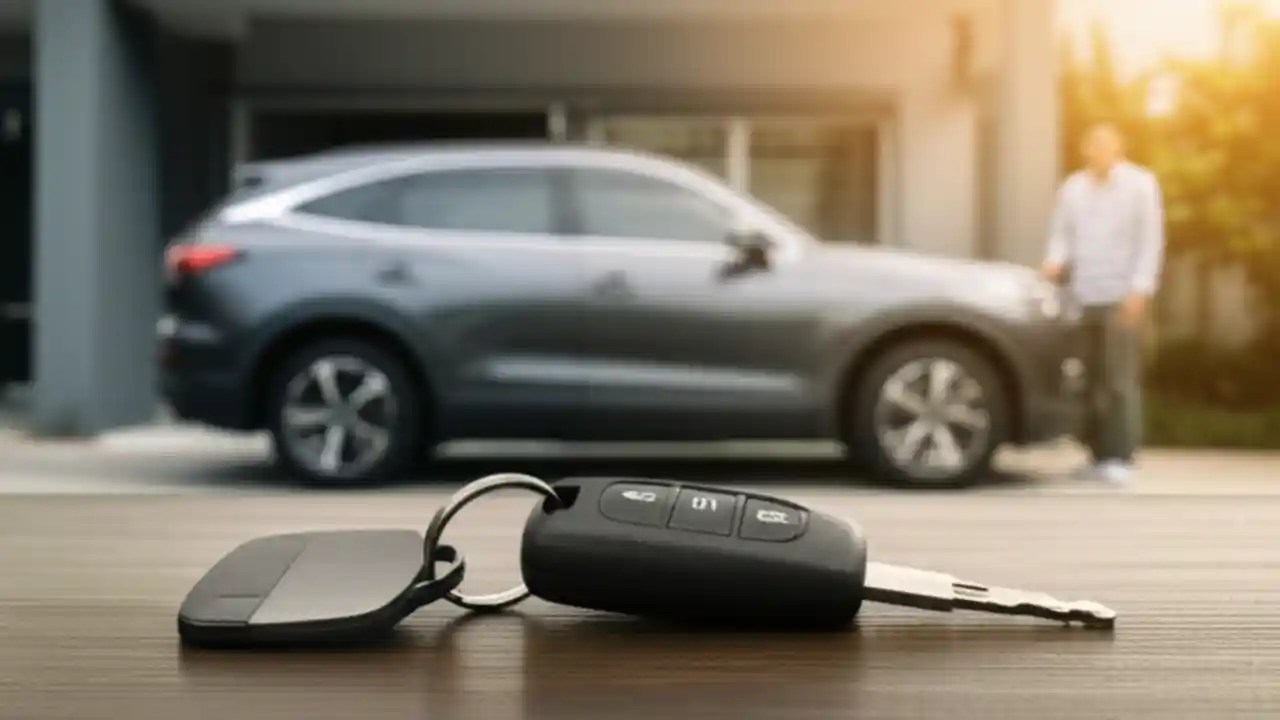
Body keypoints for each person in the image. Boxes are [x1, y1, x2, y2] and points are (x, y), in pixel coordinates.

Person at [1041, 122, 1166, 485]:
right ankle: (1096, 455)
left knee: (1119, 378)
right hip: (1084, 295)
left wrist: (1140, 289)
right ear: (1086, 150)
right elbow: (1061, 236)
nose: (1099, 152)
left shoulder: (1140, 185)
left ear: (1118, 149)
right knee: (1090, 378)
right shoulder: (1074, 189)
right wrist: (1054, 261)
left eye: (1106, 146)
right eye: (1093, 146)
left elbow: (1150, 241)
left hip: (1122, 296)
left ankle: (1122, 457)